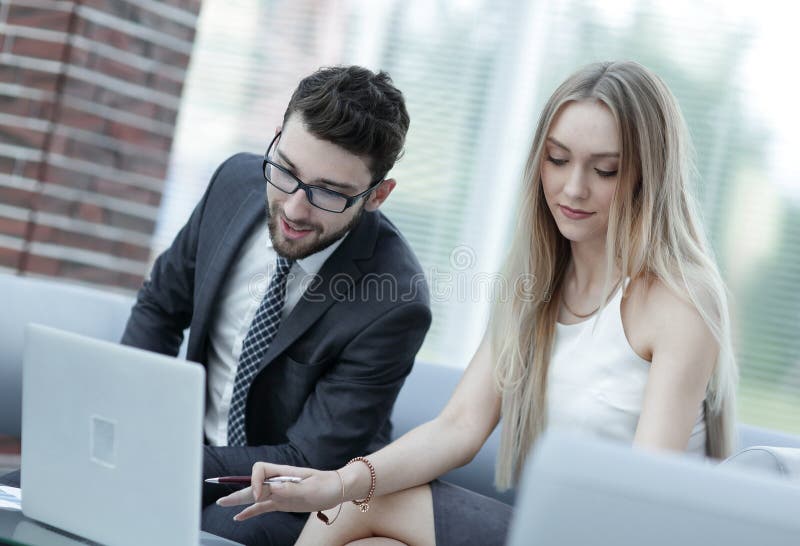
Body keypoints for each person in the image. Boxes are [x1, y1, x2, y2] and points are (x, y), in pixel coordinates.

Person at [215, 60, 738, 546]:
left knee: (355, 505)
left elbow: (648, 500)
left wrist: (346, 490)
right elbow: (459, 426)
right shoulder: (534, 287)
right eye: (557, 160)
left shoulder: (680, 302)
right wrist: (337, 481)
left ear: (649, 174)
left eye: (605, 171)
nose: (572, 188)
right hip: (551, 527)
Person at [121, 65, 432, 545]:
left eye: (329, 192)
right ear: (276, 138)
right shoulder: (233, 182)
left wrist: (169, 454)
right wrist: (131, 418)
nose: (293, 208)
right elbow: (160, 308)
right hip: (177, 453)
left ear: (377, 196)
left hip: (289, 497)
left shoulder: (394, 299)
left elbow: (308, 459)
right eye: (286, 171)